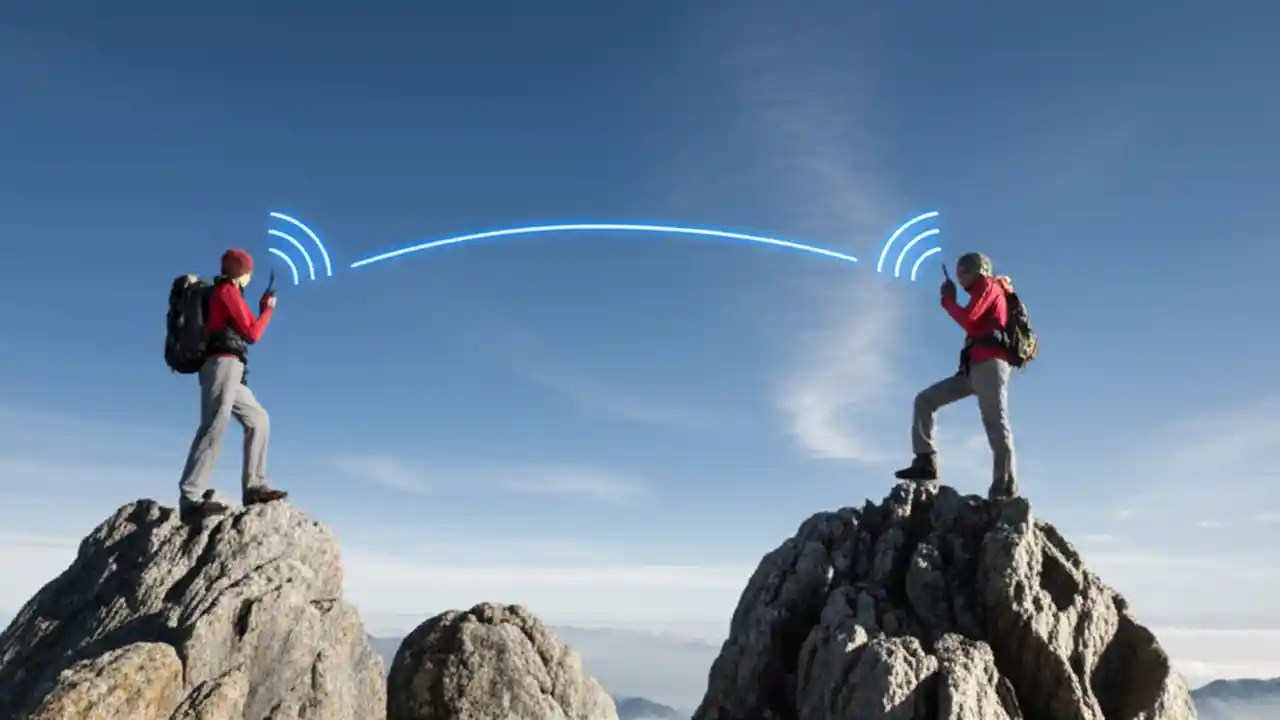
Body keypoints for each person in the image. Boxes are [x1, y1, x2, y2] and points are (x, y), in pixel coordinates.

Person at [894, 252, 1018, 500]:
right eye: (959, 271)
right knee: (925, 400)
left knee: (996, 427)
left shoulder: (988, 285)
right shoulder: (982, 292)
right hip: (973, 370)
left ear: (978, 270)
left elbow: (969, 319)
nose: (960, 275)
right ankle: (925, 462)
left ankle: (1004, 490)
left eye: (964, 270)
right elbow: (974, 321)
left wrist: (948, 300)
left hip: (989, 366)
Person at [177, 248, 288, 521]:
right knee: (215, 425)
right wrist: (268, 310)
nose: (250, 276)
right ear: (242, 272)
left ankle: (254, 486)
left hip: (232, 370)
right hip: (221, 365)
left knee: (258, 419)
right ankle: (190, 497)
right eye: (249, 271)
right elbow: (252, 332)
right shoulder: (226, 291)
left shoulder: (228, 293)